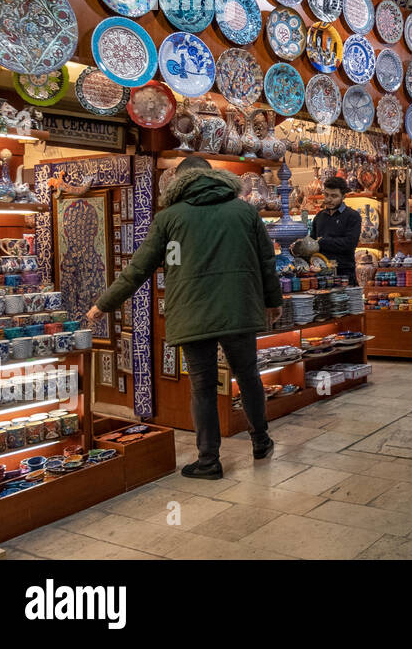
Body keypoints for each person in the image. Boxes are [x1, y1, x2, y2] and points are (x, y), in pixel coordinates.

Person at [86, 157, 281, 478]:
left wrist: (102, 305)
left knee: (203, 386)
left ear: (179, 180)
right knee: (247, 376)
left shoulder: (170, 218)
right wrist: (273, 302)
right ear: (214, 176)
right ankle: (261, 441)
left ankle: (209, 461)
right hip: (239, 309)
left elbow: (138, 269)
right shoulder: (245, 211)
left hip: (193, 312)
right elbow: (266, 261)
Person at [311, 176, 361, 285]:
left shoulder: (352, 216)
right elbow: (312, 243)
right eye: (326, 195)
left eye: (334, 196)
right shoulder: (319, 216)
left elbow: (349, 244)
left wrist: (322, 242)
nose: (328, 199)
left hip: (344, 274)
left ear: (343, 196)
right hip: (321, 275)